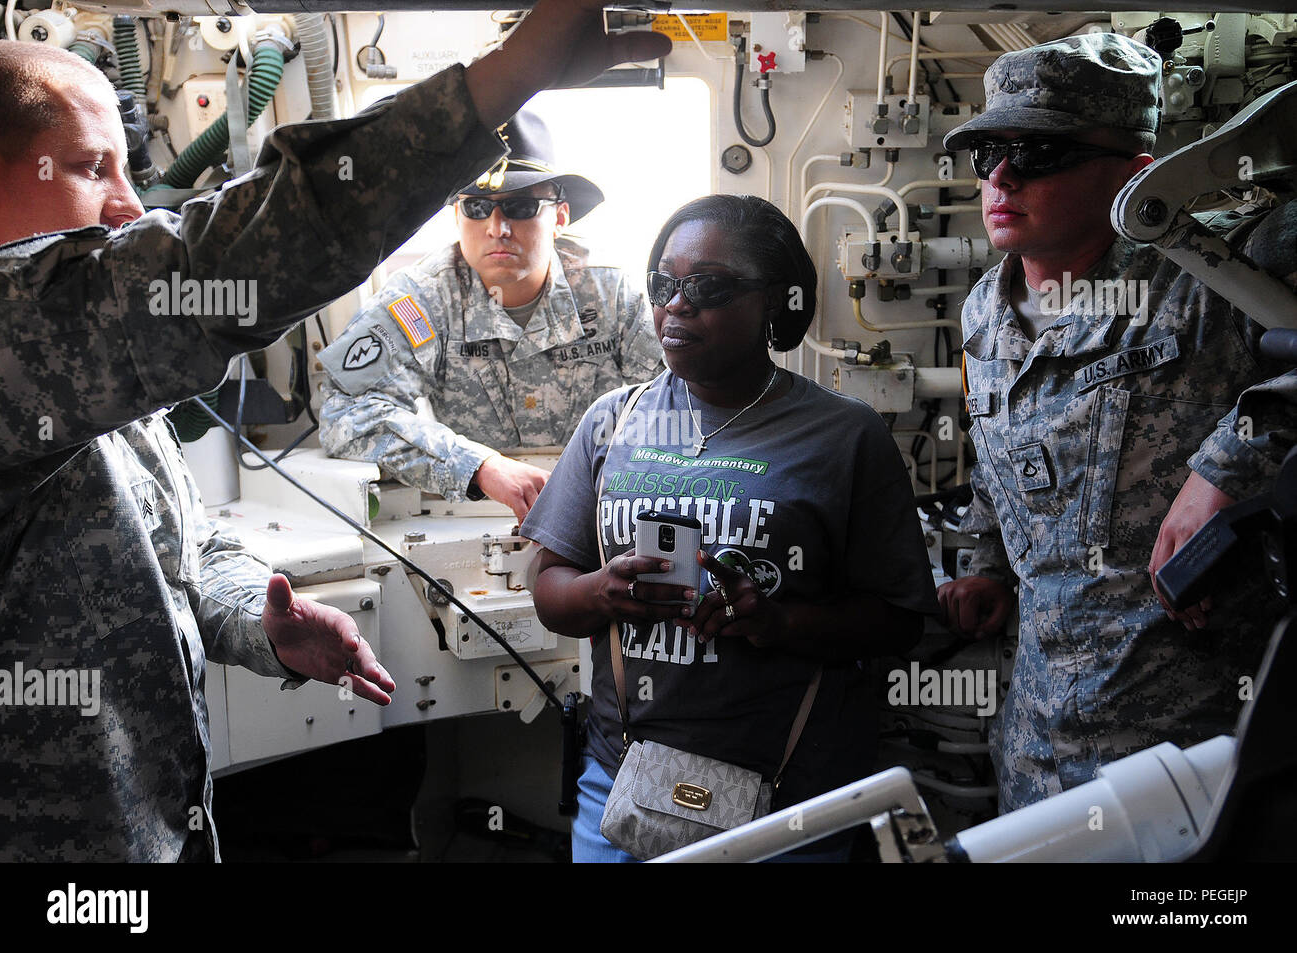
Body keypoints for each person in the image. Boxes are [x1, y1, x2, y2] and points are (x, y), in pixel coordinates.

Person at [0, 2, 670, 861]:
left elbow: (187, 548)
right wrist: (501, 80)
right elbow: (239, 256)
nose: (131, 209)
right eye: (93, 168)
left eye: (128, 169)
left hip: (146, 828)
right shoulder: (17, 336)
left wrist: (261, 623)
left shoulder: (74, 373)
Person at [935, 32, 1297, 812]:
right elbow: (1006, 459)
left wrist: (1226, 467)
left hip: (1198, 746)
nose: (1000, 176)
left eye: (1037, 152)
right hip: (1037, 748)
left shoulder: (1222, 277)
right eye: (987, 152)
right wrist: (988, 563)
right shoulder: (984, 312)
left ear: (1135, 174)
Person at [521, 195, 939, 861]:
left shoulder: (844, 434)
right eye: (663, 284)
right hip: (624, 777)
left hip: (793, 792)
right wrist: (604, 591)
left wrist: (777, 624)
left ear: (773, 301)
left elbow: (898, 620)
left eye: (708, 286)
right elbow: (548, 587)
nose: (677, 305)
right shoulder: (613, 420)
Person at [317, 110, 663, 524]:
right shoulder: (424, 298)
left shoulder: (612, 296)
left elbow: (684, 400)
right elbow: (346, 413)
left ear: (560, 216)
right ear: (457, 216)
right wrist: (480, 467)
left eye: (519, 206)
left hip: (602, 505)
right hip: (470, 510)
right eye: (478, 208)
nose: (497, 227)